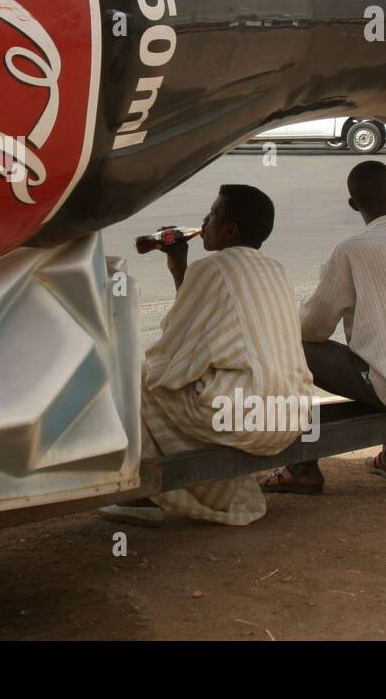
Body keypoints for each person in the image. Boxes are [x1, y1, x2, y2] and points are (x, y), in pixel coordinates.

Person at [100, 184, 314, 528]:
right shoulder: (275, 268)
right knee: (173, 383)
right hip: (289, 415)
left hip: (242, 417)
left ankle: (143, 495)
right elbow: (208, 328)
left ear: (231, 230)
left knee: (138, 379)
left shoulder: (211, 269)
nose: (204, 221)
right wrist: (178, 266)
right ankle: (216, 489)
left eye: (213, 214)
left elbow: (173, 356)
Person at [262, 160, 386, 495]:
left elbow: (313, 329)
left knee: (293, 348)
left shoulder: (351, 251)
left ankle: (301, 467)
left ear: (353, 204)